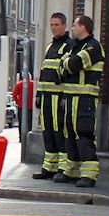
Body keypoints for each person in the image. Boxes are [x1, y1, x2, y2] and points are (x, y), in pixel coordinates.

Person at [52, 15, 105, 187]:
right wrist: (66, 64)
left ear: (83, 27)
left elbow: (73, 64)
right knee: (69, 134)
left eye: (75, 25)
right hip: (70, 98)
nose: (72, 29)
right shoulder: (75, 46)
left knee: (84, 133)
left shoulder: (93, 46)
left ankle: (89, 175)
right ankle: (71, 171)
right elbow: (61, 67)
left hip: (85, 100)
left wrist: (66, 64)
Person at [32, 13, 73, 180]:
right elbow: (43, 72)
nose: (53, 28)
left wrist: (64, 97)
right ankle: (48, 167)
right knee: (47, 131)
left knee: (59, 132)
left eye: (56, 25)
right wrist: (39, 94)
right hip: (47, 97)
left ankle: (62, 168)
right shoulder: (50, 46)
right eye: (51, 25)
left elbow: (69, 73)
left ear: (64, 26)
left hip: (59, 97)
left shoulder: (69, 46)